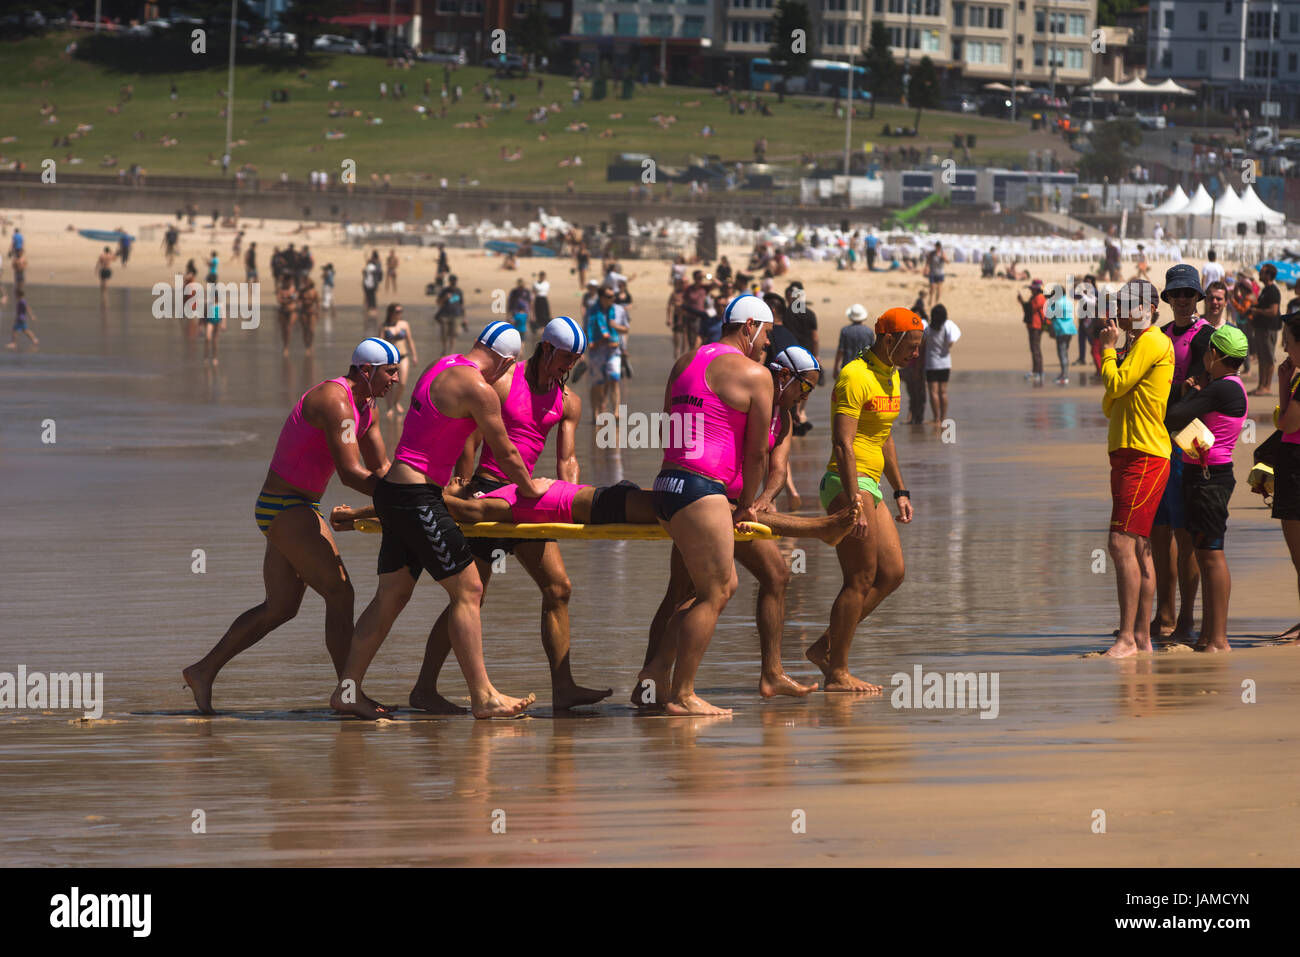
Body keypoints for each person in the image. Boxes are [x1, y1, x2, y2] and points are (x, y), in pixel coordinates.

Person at [329, 323, 548, 720]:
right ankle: (483, 696)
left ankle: (347, 691)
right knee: (469, 589)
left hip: (393, 493)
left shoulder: (440, 365)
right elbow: (507, 451)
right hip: (416, 498)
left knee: (390, 597)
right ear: (508, 361)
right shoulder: (479, 388)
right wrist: (533, 491)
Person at [183, 339, 401, 714]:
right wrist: (405, 499)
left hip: (296, 507)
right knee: (340, 594)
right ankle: (348, 694)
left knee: (280, 607)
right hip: (287, 506)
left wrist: (414, 488)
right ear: (366, 371)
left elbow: (380, 469)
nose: (396, 380)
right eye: (390, 372)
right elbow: (351, 474)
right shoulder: (336, 401)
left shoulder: (367, 408)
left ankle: (202, 671)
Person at [408, 317, 611, 713]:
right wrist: (462, 483)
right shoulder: (502, 382)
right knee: (470, 598)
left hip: (528, 498)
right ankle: (424, 689)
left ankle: (563, 687)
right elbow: (470, 437)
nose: (568, 367)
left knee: (558, 588)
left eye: (576, 361)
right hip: (487, 496)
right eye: (565, 358)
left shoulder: (568, 401)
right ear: (547, 349)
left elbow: (567, 459)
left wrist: (569, 500)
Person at [637, 345, 852, 703]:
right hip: (708, 503)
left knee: (776, 575)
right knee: (683, 591)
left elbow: (778, 470)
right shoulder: (750, 392)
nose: (805, 397)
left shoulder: (782, 419)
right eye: (806, 387)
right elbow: (731, 445)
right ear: (785, 376)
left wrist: (762, 500)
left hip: (741, 506)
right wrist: (741, 505)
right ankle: (653, 681)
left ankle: (772, 674)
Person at [636, 295, 774, 715]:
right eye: (766, 336)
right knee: (718, 590)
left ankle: (654, 677)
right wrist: (747, 504)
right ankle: (684, 694)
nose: (766, 345)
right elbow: (757, 455)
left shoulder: (684, 361)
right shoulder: (756, 375)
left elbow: (668, 424)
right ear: (749, 326)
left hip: (667, 484)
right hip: (701, 489)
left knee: (696, 590)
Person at [808, 307, 923, 692]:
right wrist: (854, 499)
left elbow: (884, 437)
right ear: (889, 340)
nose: (916, 355)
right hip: (844, 481)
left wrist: (900, 489)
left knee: (892, 574)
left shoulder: (891, 375)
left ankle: (827, 646)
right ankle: (837, 672)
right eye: (912, 346)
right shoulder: (854, 376)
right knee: (859, 578)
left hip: (871, 483)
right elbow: (843, 442)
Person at [1098, 279, 1175, 658]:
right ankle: (1142, 638)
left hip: (1145, 453)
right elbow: (1110, 403)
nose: (1120, 314)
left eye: (1128, 305)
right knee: (1139, 548)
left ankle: (1127, 637)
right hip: (1129, 452)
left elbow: (1116, 385)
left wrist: (1109, 353)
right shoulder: (1137, 345)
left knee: (1120, 544)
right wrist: (1117, 362)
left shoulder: (1151, 341)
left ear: (1147, 308)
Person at [1164, 325, 1250, 653]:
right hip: (1204, 473)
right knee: (1204, 552)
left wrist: (1190, 391)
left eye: (1206, 352)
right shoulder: (1225, 386)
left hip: (1210, 477)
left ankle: (1218, 638)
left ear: (1214, 355)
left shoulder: (1222, 389)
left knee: (1212, 554)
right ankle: (1209, 635)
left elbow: (1175, 416)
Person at [1147, 265, 1214, 643]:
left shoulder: (1208, 338)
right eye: (1177, 293)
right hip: (1156, 438)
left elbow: (1214, 387)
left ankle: (1187, 619)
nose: (1183, 299)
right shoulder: (1157, 336)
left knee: (1185, 533)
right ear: (1168, 299)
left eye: (1189, 293)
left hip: (1190, 441)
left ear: (1197, 297)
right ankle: (1164, 614)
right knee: (1158, 532)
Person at [1267, 316, 1300, 642]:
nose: (1284, 346)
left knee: (1298, 554)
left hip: (1295, 463)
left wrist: (1282, 387)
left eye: (1288, 340)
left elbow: (1287, 423)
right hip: (1293, 461)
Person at [585, 283, 628, 421]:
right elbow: (587, 330)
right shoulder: (592, 310)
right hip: (597, 351)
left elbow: (625, 329)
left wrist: (615, 327)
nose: (612, 298)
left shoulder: (619, 310)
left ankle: (615, 411)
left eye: (613, 295)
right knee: (597, 383)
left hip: (614, 350)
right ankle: (595, 412)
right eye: (609, 296)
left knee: (614, 379)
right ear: (601, 297)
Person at [380, 303, 418, 423]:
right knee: (390, 384)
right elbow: (380, 343)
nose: (399, 314)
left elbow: (410, 340)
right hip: (390, 359)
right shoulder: (384, 327)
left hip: (403, 356)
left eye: (401, 311)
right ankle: (390, 407)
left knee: (402, 383)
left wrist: (414, 355)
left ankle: (396, 402)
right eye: (397, 311)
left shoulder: (404, 324)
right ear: (391, 312)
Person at [1248, 262, 1282, 396]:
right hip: (1261, 328)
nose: (1260, 274)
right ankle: (1260, 386)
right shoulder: (1265, 290)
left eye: (1262, 272)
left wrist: (1257, 310)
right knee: (1261, 358)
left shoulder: (1273, 290)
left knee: (1268, 358)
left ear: (1268, 275)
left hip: (1269, 329)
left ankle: (1267, 387)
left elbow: (1274, 311)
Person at [925, 304, 962, 417]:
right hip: (945, 363)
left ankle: (936, 418)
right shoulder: (947, 326)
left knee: (933, 392)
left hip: (931, 363)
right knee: (943, 392)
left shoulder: (928, 329)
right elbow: (951, 342)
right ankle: (943, 417)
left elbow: (923, 342)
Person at [1019, 278, 1047, 384]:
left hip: (1036, 326)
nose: (1031, 290)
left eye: (1033, 289)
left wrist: (1022, 301)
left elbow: (1030, 308)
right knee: (1034, 348)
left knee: (1035, 349)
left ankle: (1038, 372)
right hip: (1033, 325)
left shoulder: (1039, 298)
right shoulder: (1036, 297)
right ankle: (1036, 371)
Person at [834, 304, 875, 378]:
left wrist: (835, 367)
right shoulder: (869, 331)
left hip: (847, 367)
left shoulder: (845, 330)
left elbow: (840, 350)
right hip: (864, 368)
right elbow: (873, 351)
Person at [276, 273, 299, 358]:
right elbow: (279, 300)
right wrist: (289, 300)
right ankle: (284, 343)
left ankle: (286, 347)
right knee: (283, 330)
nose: (289, 282)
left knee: (289, 328)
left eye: (290, 281)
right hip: (282, 311)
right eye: (288, 281)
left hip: (292, 311)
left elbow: (296, 299)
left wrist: (286, 300)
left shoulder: (294, 289)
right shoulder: (280, 289)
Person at [297, 276, 320, 356]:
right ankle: (307, 346)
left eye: (306, 283)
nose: (304, 284)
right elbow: (299, 301)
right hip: (303, 312)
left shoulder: (314, 292)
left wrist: (318, 312)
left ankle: (310, 345)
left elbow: (317, 302)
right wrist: (298, 307)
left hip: (312, 312)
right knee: (305, 330)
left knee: (311, 330)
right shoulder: (302, 292)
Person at [362, 250, 382, 321]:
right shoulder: (375, 264)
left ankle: (371, 308)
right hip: (370, 283)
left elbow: (378, 274)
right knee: (371, 296)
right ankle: (371, 308)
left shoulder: (374, 265)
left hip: (370, 283)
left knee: (371, 296)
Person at [925, 242, 947, 307]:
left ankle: (936, 303)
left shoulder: (942, 253)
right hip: (932, 273)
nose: (938, 248)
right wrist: (926, 268)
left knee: (939, 289)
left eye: (939, 247)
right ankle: (930, 301)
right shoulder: (932, 254)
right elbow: (927, 261)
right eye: (937, 247)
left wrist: (944, 258)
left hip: (940, 273)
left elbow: (948, 261)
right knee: (932, 288)